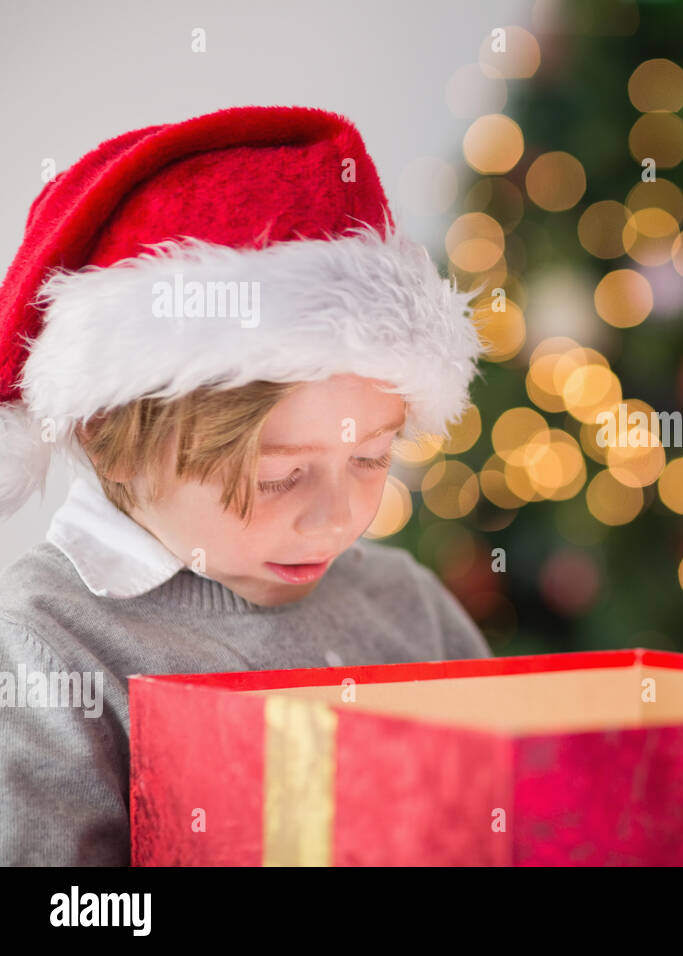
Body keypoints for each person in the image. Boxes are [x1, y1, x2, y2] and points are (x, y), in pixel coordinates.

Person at [0, 105, 492, 865]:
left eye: (371, 460)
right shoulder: (47, 647)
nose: (337, 518)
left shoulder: (408, 607)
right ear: (112, 439)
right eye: (280, 477)